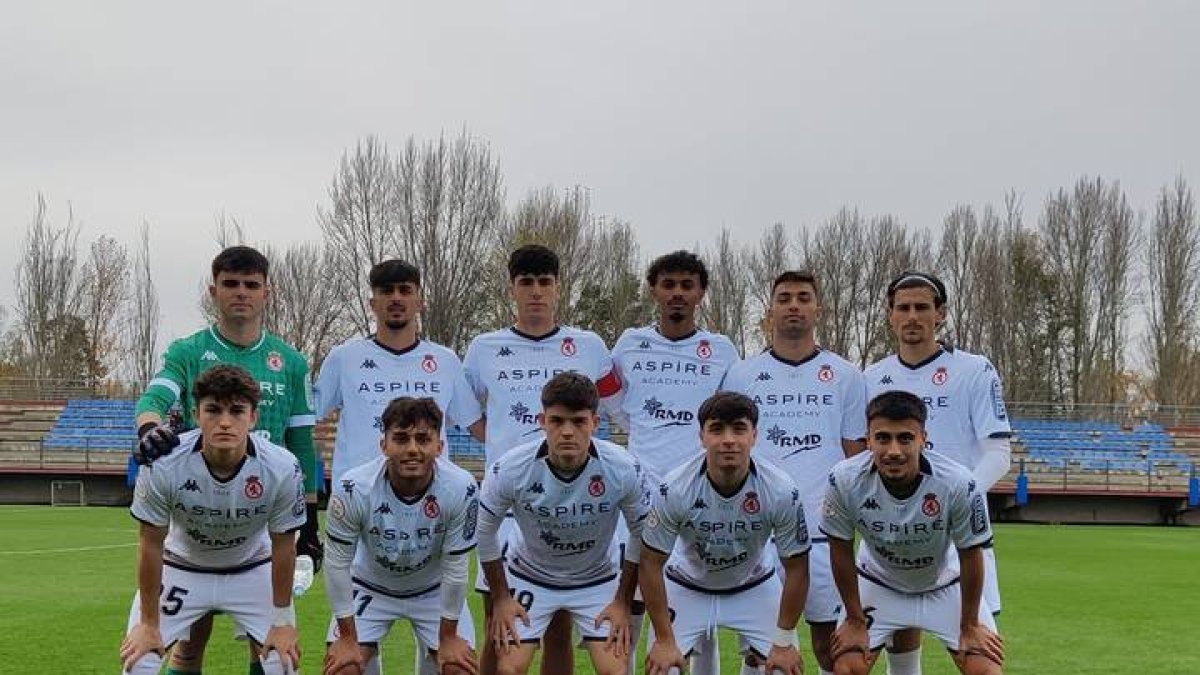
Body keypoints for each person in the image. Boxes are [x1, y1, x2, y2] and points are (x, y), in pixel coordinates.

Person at [132, 245, 320, 674]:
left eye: (251, 285)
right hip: (198, 506)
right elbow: (155, 397)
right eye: (230, 284)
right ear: (212, 290)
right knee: (190, 642)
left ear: (266, 293)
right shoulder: (188, 351)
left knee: (270, 650)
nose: (241, 293)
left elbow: (303, 444)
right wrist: (149, 428)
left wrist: (308, 521)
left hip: (262, 509)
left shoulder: (289, 362)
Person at [464, 244, 619, 675]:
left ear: (557, 288)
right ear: (512, 288)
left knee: (558, 628)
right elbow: (468, 412)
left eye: (545, 282)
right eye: (526, 282)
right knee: (499, 623)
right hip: (508, 509)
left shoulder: (588, 345)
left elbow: (611, 404)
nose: (536, 292)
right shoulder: (484, 347)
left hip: (567, 507)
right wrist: (504, 445)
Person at [864, 271, 1012, 675]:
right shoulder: (871, 378)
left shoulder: (974, 370)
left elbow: (999, 454)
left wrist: (952, 504)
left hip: (957, 532)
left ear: (940, 314)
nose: (912, 317)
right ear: (890, 315)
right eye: (903, 308)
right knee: (899, 628)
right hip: (892, 530)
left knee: (978, 649)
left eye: (922, 308)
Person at [721, 270, 866, 675]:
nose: (794, 305)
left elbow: (856, 456)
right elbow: (728, 452)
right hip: (759, 529)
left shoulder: (845, 375)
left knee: (828, 644)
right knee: (759, 645)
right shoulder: (741, 374)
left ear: (818, 308)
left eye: (804, 297)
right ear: (770, 311)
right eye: (784, 298)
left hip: (822, 532)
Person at [119, 365, 306, 675]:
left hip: (251, 567)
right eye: (213, 410)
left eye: (236, 411)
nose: (225, 422)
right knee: (139, 663)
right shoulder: (163, 464)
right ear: (196, 414)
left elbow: (284, 546)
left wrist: (283, 622)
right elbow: (150, 545)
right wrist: (148, 625)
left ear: (254, 417)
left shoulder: (283, 466)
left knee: (281, 663)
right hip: (182, 567)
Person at [606, 250, 740, 675]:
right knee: (630, 607)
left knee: (697, 618)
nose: (677, 293)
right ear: (654, 291)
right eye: (669, 285)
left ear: (700, 292)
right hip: (641, 493)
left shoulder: (720, 350)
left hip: (701, 494)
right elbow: (613, 403)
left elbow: (732, 415)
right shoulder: (629, 343)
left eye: (687, 285)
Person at [822, 391, 1004, 675]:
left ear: (923, 439)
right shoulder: (844, 479)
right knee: (847, 667)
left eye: (905, 438)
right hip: (879, 582)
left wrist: (969, 625)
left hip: (945, 584)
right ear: (867, 439)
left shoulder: (958, 483)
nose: (893, 450)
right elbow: (840, 548)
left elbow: (971, 555)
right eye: (882, 438)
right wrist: (855, 619)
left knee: (984, 668)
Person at [477, 372, 647, 675]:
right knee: (510, 668)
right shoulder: (511, 468)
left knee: (615, 670)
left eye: (578, 421)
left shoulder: (623, 468)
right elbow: (485, 532)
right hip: (530, 575)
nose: (567, 432)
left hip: (595, 579)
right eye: (557, 421)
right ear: (542, 421)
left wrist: (622, 599)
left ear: (595, 422)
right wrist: (502, 598)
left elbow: (640, 534)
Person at [640, 391, 811, 675]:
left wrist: (782, 643)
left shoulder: (781, 489)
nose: (728, 440)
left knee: (782, 668)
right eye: (717, 429)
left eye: (739, 429)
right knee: (663, 668)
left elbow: (797, 568)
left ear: (754, 435)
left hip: (753, 584)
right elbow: (650, 562)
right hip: (687, 584)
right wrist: (664, 639)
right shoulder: (675, 488)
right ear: (702, 437)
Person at [321, 397, 480, 675]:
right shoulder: (352, 488)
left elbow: (456, 568)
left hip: (434, 590)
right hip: (370, 586)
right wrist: (347, 638)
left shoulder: (460, 487)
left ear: (439, 446)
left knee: (459, 668)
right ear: (384, 445)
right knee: (343, 669)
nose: (412, 449)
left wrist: (448, 638)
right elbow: (336, 565)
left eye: (423, 439)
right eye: (401, 438)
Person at [315, 259, 484, 486]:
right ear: (372, 303)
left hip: (429, 498)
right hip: (360, 496)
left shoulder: (446, 361)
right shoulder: (343, 358)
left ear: (419, 302)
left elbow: (476, 426)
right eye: (387, 291)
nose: (396, 297)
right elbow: (307, 417)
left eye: (405, 290)